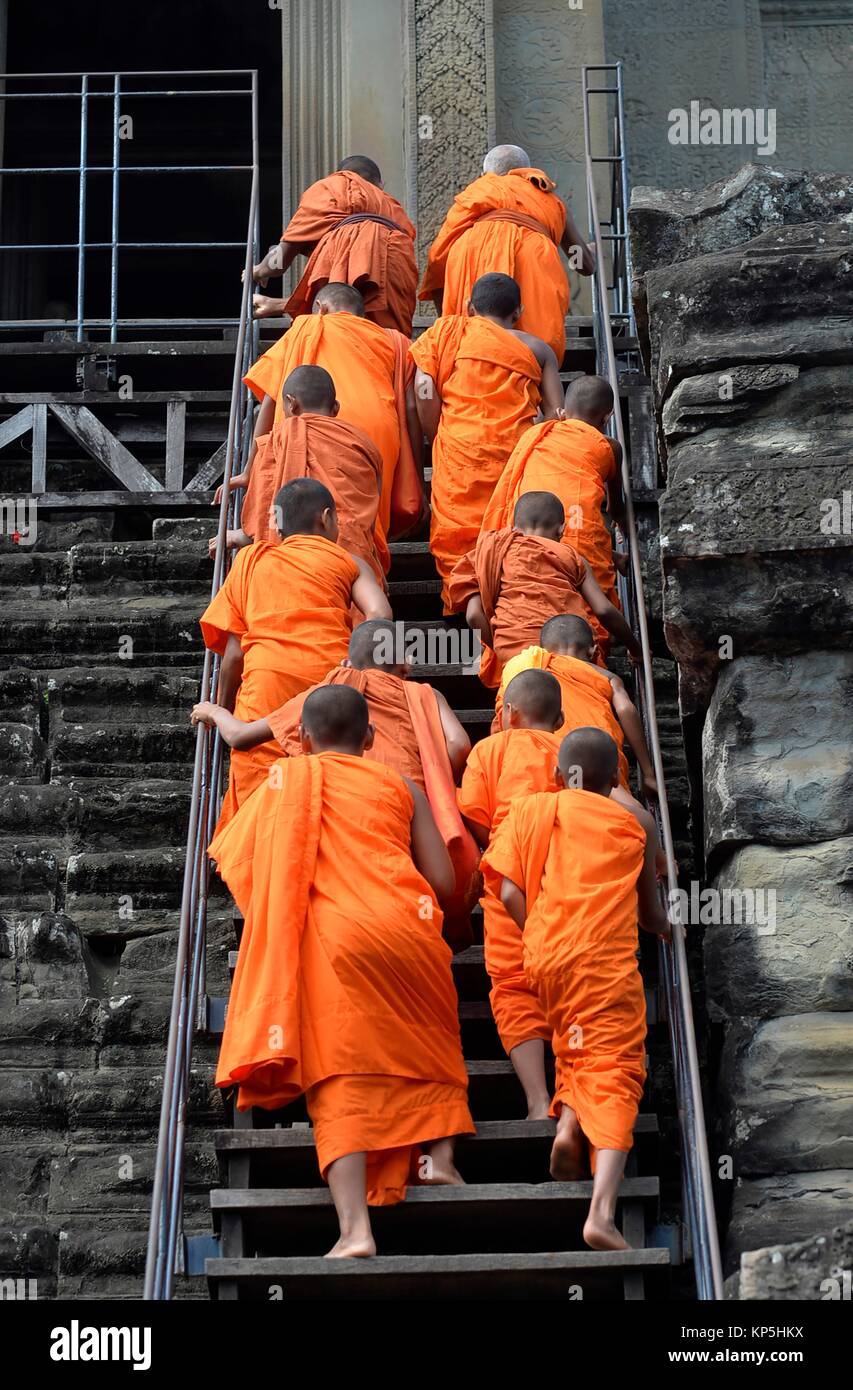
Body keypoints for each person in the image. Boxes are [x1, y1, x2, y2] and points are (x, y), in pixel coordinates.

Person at [210, 685, 474, 1257]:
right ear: (373, 738)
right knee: (428, 1044)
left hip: (335, 938)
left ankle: (356, 1230)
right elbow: (445, 883)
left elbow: (244, 867)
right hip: (409, 930)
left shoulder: (284, 783)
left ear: (301, 738)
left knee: (342, 1077)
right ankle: (440, 1161)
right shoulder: (402, 786)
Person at [487, 727, 670, 1250]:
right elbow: (651, 914)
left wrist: (538, 933)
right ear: (615, 779)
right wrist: (670, 929)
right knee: (617, 1068)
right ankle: (602, 1213)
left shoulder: (529, 811)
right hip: (605, 963)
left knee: (575, 1044)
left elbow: (504, 889)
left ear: (556, 774)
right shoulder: (634, 825)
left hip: (545, 957)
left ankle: (568, 1120)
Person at [192, 620, 479, 939]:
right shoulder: (424, 694)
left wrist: (214, 711)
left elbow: (242, 736)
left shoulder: (330, 693)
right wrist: (435, 778)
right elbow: (458, 745)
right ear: (404, 663)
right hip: (407, 814)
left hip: (341, 820)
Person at [199, 479, 390, 828]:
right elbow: (379, 615)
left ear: (279, 525)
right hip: (327, 685)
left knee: (267, 804)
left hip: (265, 689)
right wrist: (358, 665)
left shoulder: (250, 562)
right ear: (327, 518)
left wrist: (223, 711)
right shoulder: (348, 561)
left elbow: (234, 655)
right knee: (329, 788)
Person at [410, 273, 563, 609]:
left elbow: (423, 390)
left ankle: (468, 602)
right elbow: (557, 415)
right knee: (507, 527)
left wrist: (437, 432)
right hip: (515, 453)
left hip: (458, 449)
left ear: (469, 307)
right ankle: (511, 601)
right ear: (519, 310)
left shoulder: (448, 335)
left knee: (459, 534)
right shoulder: (537, 349)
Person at [457, 669, 564, 1118]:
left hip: (508, 874)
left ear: (507, 713)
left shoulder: (489, 749)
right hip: (565, 872)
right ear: (559, 718)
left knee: (513, 983)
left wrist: (501, 846)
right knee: (568, 975)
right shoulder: (571, 749)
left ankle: (539, 1100)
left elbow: (476, 817)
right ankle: (576, 1096)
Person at [240, 283, 423, 540]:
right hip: (376, 436)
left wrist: (250, 470)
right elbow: (412, 407)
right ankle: (365, 566)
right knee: (362, 527)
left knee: (301, 522)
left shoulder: (306, 328)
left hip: (311, 429)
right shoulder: (396, 342)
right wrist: (415, 474)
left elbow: (271, 399)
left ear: (320, 309)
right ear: (360, 315)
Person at [483, 375, 626, 648]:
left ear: (563, 412)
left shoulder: (536, 435)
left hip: (531, 527)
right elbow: (615, 505)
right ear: (607, 418)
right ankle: (579, 651)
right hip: (577, 530)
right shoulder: (609, 447)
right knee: (584, 559)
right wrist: (622, 524)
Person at [419, 144, 595, 361]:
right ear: (527, 172)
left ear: (484, 175)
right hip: (533, 254)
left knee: (471, 337)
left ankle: (466, 360)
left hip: (471, 249)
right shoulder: (549, 199)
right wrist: (589, 254)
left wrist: (446, 318)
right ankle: (533, 368)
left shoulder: (473, 194)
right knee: (536, 335)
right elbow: (583, 265)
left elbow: (438, 258)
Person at [447, 490, 641, 686]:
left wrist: (501, 647)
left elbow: (473, 615)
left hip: (514, 654)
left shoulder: (487, 553)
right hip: (567, 650)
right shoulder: (571, 557)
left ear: (513, 526)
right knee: (609, 686)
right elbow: (603, 610)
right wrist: (636, 649)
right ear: (561, 530)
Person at [217, 365, 387, 584]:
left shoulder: (276, 443)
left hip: (292, 567)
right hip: (352, 562)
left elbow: (262, 519)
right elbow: (370, 518)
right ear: (335, 407)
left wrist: (241, 535)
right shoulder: (364, 447)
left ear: (291, 403)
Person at [251, 155, 418, 336]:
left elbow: (280, 261)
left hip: (349, 259)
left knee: (336, 313)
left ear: (338, 175)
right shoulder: (395, 208)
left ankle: (274, 305)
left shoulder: (330, 189)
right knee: (387, 339)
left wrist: (259, 271)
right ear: (381, 185)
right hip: (398, 263)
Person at [495, 614, 657, 797]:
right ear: (594, 650)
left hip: (545, 755)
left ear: (542, 650)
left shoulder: (531, 670)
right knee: (621, 809)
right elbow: (626, 709)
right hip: (596, 757)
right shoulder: (607, 677)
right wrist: (648, 772)